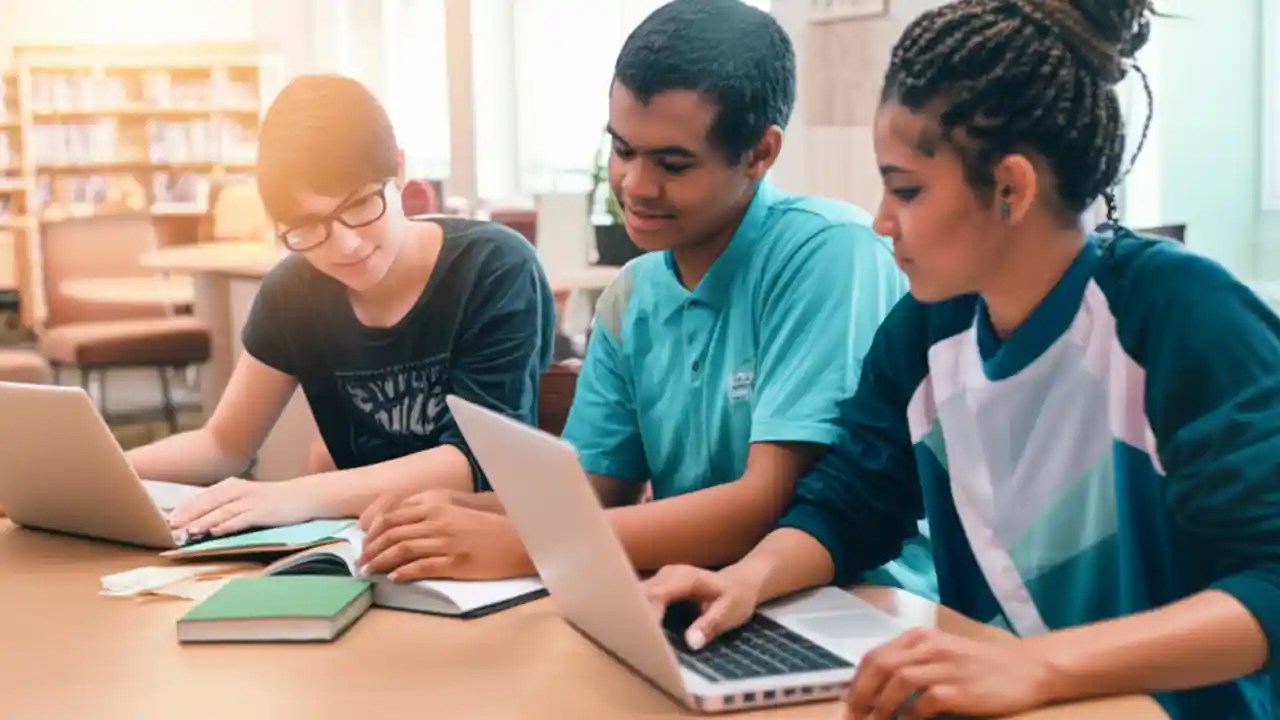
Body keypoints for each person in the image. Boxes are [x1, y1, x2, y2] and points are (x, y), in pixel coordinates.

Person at [640, 1, 1280, 718]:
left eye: (905, 189)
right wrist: (749, 579)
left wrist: (1035, 667)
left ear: (1010, 187)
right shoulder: (928, 328)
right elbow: (853, 502)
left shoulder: (1181, 316)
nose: (881, 220)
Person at [354, 0, 936, 595]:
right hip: (691, 597)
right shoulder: (632, 296)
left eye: (673, 164)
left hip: (855, 606)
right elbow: (594, 493)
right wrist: (457, 512)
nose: (635, 185)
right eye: (624, 150)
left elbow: (769, 504)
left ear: (761, 153)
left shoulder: (828, 253)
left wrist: (528, 544)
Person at [126, 74, 556, 538]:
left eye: (359, 205)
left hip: (478, 545)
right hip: (358, 546)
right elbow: (222, 444)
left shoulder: (493, 268)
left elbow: (475, 462)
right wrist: (108, 471)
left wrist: (297, 494)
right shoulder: (294, 292)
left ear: (399, 170)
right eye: (307, 226)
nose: (344, 244)